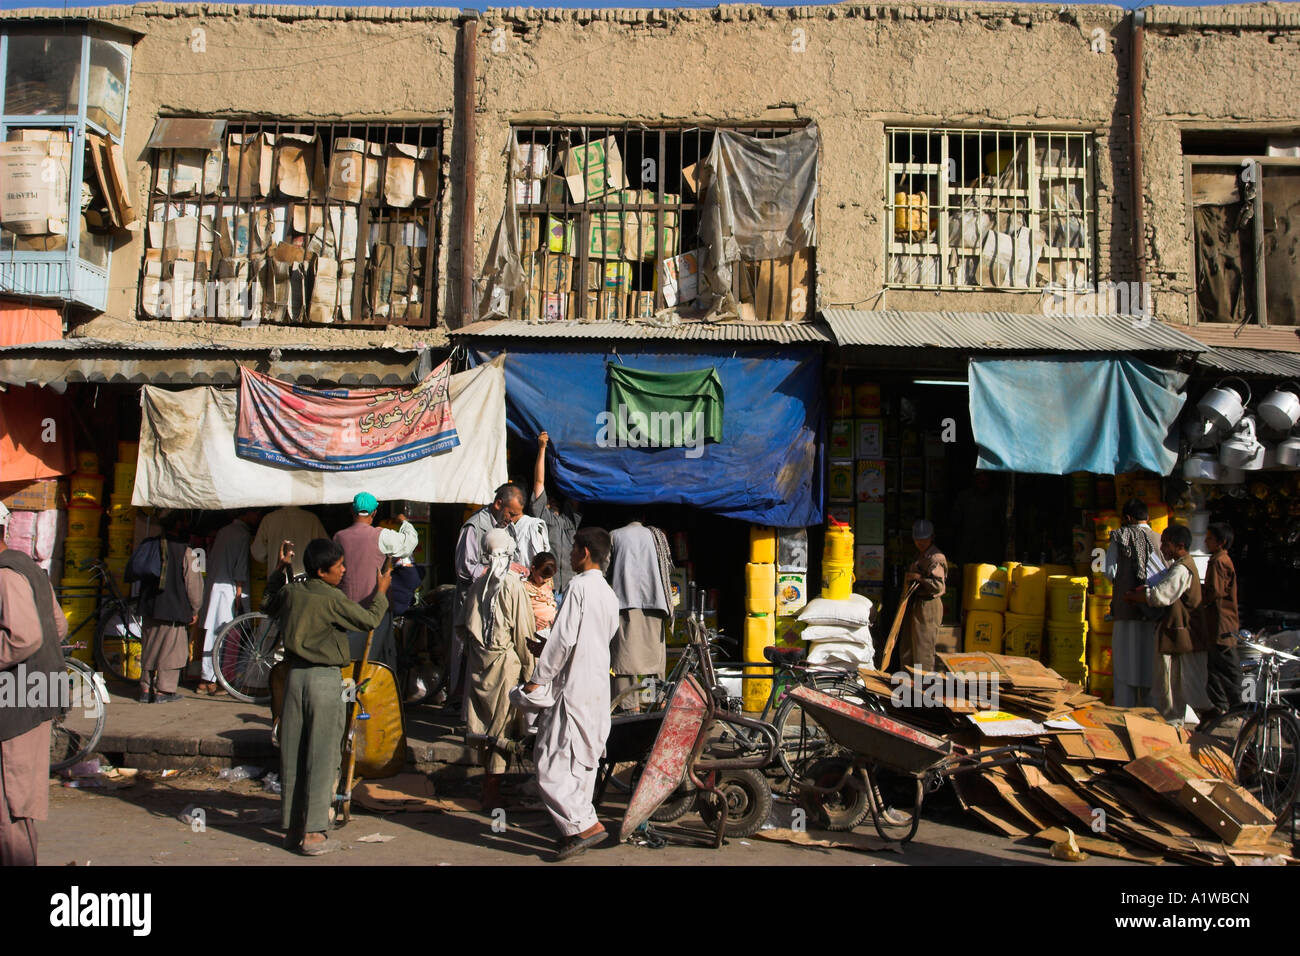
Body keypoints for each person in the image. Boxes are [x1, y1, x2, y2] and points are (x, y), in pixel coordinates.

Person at [267, 537, 391, 856]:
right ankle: (314, 834)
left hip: (294, 679)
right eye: (339, 567)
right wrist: (380, 593)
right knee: (323, 755)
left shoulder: (292, 592)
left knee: (293, 754)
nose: (344, 571)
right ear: (322, 571)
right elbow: (368, 621)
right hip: (323, 680)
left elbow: (269, 603)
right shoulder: (331, 598)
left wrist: (280, 569)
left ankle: (292, 829)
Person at [518, 526, 619, 861]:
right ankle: (575, 829)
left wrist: (537, 679)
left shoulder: (578, 587)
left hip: (573, 688)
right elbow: (592, 637)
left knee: (548, 761)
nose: (570, 555)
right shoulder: (607, 592)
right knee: (580, 764)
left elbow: (564, 641)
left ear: (584, 552)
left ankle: (584, 825)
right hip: (596, 688)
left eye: (574, 548)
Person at [0, 502, 68, 866]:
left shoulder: (5, 575)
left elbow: (24, 637)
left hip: (16, 707)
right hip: (34, 699)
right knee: (19, 803)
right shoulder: (29, 569)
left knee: (8, 808)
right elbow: (57, 627)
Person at [458, 528, 536, 811]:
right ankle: (492, 797)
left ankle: (490, 791)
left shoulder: (479, 584)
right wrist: (531, 673)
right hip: (504, 668)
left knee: (485, 728)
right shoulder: (513, 585)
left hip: (480, 665)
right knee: (499, 730)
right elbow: (525, 634)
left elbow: (463, 626)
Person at [451, 484, 527, 697]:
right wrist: (498, 568)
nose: (512, 519)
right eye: (511, 513)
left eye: (516, 515)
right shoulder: (474, 527)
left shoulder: (507, 525)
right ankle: (462, 705)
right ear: (498, 504)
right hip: (474, 603)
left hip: (500, 605)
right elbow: (465, 569)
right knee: (470, 656)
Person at [1131, 524, 1207, 725]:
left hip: (1176, 635)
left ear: (1180, 545)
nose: (1162, 547)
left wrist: (1139, 596)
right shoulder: (1179, 565)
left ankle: (1172, 725)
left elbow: (1161, 596)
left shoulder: (1182, 568)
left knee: (1170, 685)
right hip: (1172, 632)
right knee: (1169, 683)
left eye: (1166, 543)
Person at [334, 493, 417, 672]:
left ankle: (348, 694)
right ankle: (370, 696)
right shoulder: (382, 535)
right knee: (377, 658)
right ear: (374, 513)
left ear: (352, 511)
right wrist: (405, 522)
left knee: (350, 659)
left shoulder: (339, 537)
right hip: (375, 606)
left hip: (346, 607)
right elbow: (409, 543)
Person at [131, 513, 203, 704]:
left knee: (150, 647)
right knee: (172, 652)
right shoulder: (188, 552)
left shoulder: (150, 544)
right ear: (179, 525)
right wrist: (195, 609)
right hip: (174, 610)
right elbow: (194, 586)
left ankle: (145, 688)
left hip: (149, 607)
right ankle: (163, 690)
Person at [608, 519, 673, 713]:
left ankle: (630, 706)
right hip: (655, 603)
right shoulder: (657, 536)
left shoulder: (614, 535)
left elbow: (606, 570)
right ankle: (654, 701)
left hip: (625, 603)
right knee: (653, 661)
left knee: (625, 661)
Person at [1105, 499, 1164, 708]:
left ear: (1128, 518)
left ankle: (1124, 711)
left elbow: (1110, 573)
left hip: (1126, 610)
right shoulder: (1160, 540)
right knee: (1150, 664)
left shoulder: (1119, 538)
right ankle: (1150, 712)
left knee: (1124, 665)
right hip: (1152, 613)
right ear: (1147, 517)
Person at [199, 509, 258, 696]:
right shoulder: (242, 535)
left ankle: (206, 679)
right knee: (229, 634)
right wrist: (239, 593)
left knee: (213, 634)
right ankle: (223, 679)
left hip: (216, 585)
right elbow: (240, 566)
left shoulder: (224, 531)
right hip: (229, 589)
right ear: (247, 513)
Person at [1195, 523, 1242, 717]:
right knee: (1214, 668)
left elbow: (1214, 591)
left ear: (1221, 542)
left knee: (1228, 668)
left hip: (1222, 624)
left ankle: (1238, 708)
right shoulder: (1219, 559)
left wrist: (1198, 597)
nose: (1206, 541)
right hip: (1218, 624)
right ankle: (1220, 707)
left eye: (1210, 538)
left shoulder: (1219, 561)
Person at [530, 431, 583, 598]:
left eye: (556, 500)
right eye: (550, 499)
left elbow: (576, 489)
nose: (553, 502)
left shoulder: (570, 522)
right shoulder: (542, 517)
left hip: (570, 587)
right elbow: (539, 482)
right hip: (548, 587)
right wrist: (542, 449)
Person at [900, 519, 947, 672]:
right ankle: (908, 685)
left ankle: (925, 688)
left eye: (924, 539)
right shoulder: (920, 555)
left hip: (928, 605)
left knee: (923, 649)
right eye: (917, 539)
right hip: (916, 603)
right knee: (909, 646)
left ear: (931, 537)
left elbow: (937, 586)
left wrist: (919, 578)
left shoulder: (935, 558)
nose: (920, 542)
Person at [251, 506, 327, 580]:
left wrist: (272, 556)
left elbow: (258, 553)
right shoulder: (312, 519)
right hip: (304, 582)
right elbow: (326, 550)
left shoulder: (269, 519)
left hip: (277, 581)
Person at [525, 552, 558, 634]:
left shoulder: (548, 582)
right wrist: (532, 619)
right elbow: (521, 612)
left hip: (552, 628)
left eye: (549, 577)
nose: (546, 580)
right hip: (535, 630)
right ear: (533, 569)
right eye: (543, 577)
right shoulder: (525, 588)